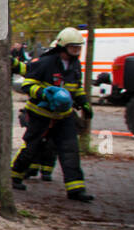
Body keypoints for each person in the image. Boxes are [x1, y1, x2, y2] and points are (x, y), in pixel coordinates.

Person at [10, 27, 93, 202]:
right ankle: (15, 175)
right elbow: (28, 85)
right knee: (32, 146)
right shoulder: (45, 63)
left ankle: (76, 188)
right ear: (63, 47)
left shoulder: (75, 65)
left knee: (70, 148)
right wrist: (43, 93)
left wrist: (83, 102)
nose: (77, 51)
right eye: (73, 48)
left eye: (79, 48)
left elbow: (75, 88)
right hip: (41, 114)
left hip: (64, 116)